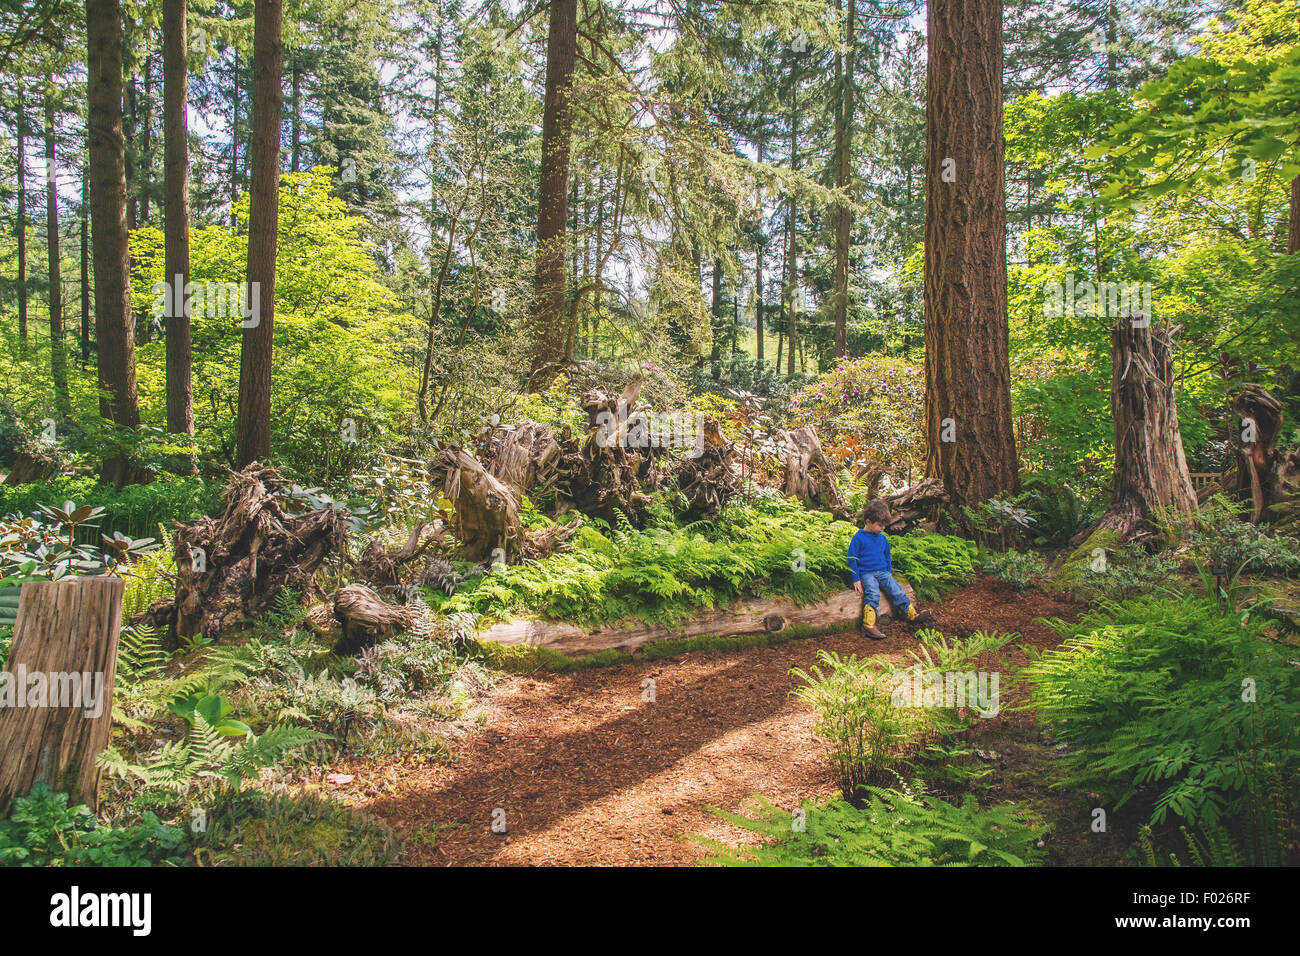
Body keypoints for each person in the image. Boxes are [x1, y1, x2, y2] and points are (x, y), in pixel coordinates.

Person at [848, 499, 937, 640]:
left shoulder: (882, 538)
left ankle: (912, 615)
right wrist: (856, 579)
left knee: (896, 590)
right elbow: (852, 558)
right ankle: (869, 625)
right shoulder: (858, 538)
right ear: (869, 521)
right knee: (872, 593)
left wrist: (888, 572)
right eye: (880, 525)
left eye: (884, 525)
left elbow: (887, 556)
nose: (883, 528)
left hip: (883, 572)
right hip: (867, 574)